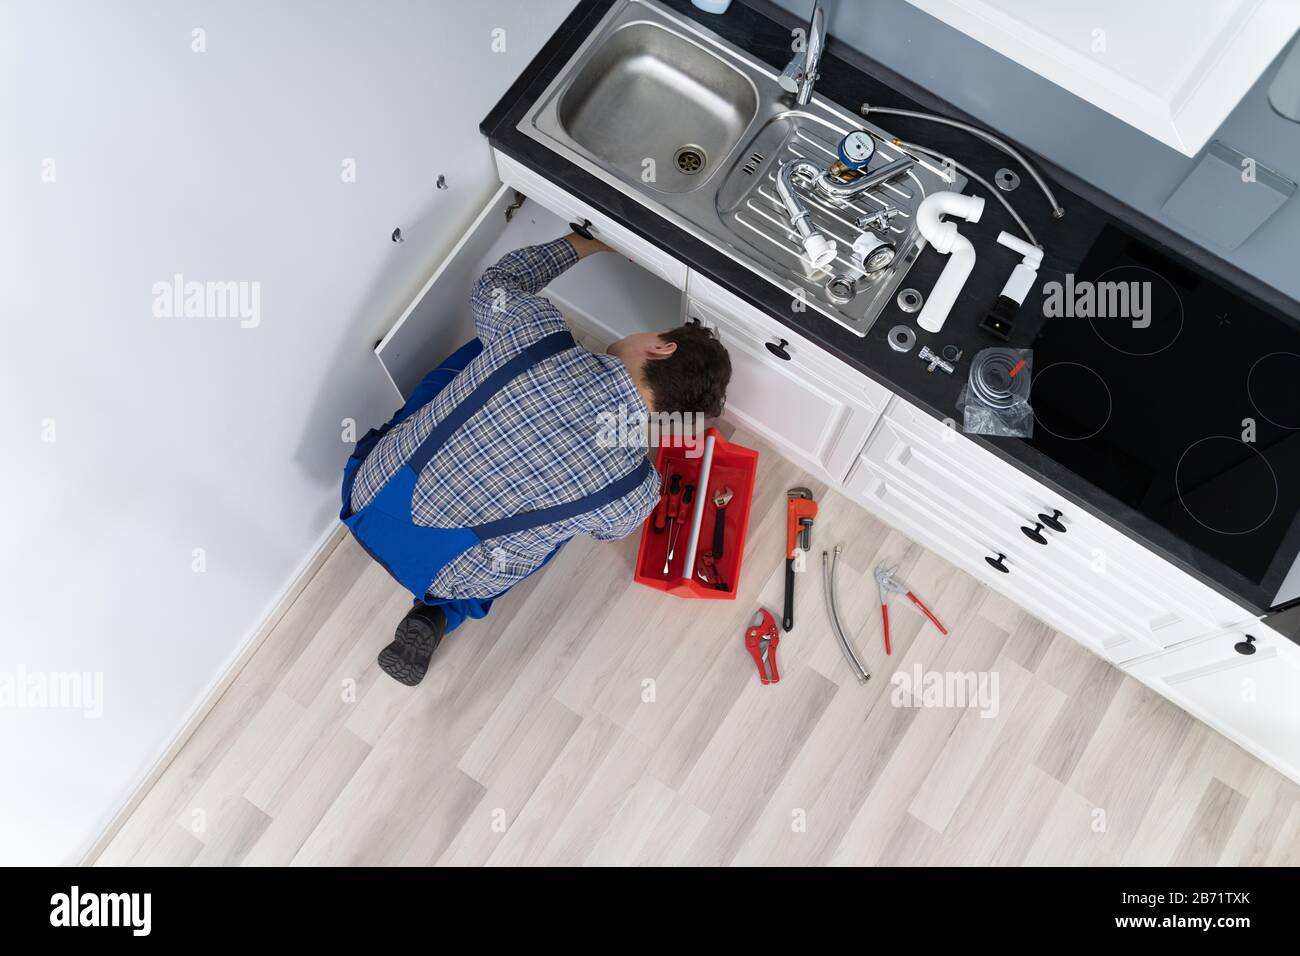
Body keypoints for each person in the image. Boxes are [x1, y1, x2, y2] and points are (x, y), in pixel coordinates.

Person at [339, 233, 732, 685]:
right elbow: (608, 530)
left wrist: (586, 241)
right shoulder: (635, 493)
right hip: (442, 575)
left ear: (662, 348)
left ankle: (440, 593)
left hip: (367, 500)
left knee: (481, 356)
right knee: (554, 530)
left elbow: (497, 282)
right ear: (672, 418)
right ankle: (441, 614)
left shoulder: (538, 332)